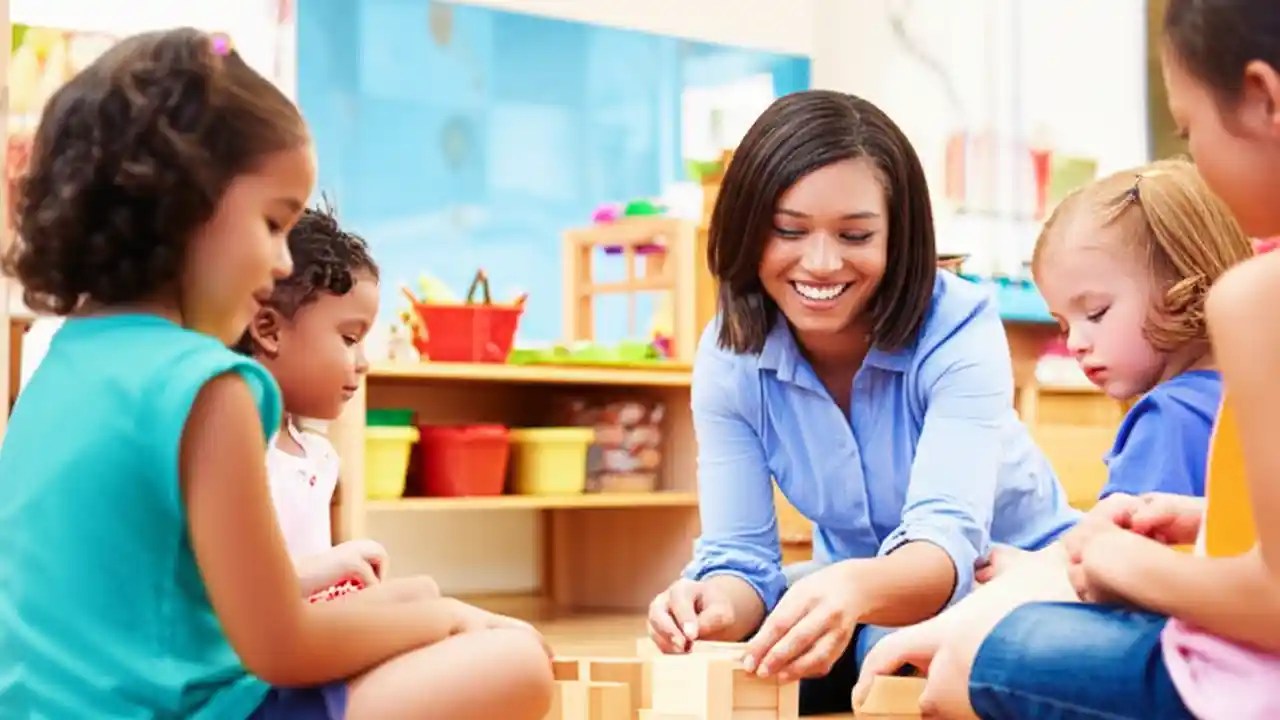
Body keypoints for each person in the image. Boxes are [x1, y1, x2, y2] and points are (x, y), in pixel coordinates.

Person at [0, 29, 553, 720]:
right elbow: (280, 648)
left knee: (416, 598)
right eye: (271, 224)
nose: (282, 262)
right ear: (186, 209)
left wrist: (424, 612)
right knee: (517, 662)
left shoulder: (59, 363)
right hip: (181, 708)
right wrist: (444, 624)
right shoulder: (208, 385)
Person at [854, 1, 1280, 717]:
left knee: (971, 654)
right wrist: (1198, 524)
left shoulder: (1254, 302)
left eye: (1189, 128)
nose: (1195, 157)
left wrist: (1125, 563)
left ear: (1264, 98)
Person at [644, 89, 1079, 715]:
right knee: (759, 651)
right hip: (861, 597)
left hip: (1015, 587)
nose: (820, 263)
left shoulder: (958, 324)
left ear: (897, 237)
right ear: (745, 232)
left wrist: (847, 588)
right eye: (789, 231)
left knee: (879, 648)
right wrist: (711, 606)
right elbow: (741, 559)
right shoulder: (730, 356)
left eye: (855, 235)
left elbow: (944, 548)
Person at [975, 159, 1250, 583]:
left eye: (1096, 313)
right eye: (1064, 325)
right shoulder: (1248, 395)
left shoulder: (1168, 417)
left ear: (1180, 288)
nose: (1075, 343)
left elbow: (1120, 569)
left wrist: (1031, 571)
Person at [234, 203, 440, 605]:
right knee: (459, 626)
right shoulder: (237, 449)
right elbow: (236, 592)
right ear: (268, 330)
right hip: (265, 643)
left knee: (424, 595)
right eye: (349, 339)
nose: (363, 363)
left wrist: (342, 570)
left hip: (302, 624)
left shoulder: (318, 456)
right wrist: (331, 568)